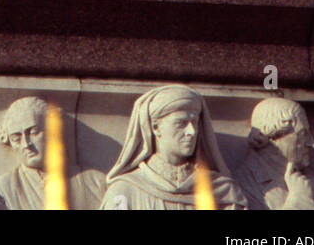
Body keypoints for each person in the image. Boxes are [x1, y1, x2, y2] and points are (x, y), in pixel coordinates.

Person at [101, 85, 247, 210]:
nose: (191, 131)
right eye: (181, 123)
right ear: (156, 128)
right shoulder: (125, 192)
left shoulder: (224, 192)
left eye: (194, 122)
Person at [0, 97, 104, 210]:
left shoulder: (94, 182)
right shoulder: (2, 190)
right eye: (16, 138)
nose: (26, 144)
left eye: (34, 132)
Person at [236, 98, 314, 210]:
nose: (311, 143)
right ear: (269, 135)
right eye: (302, 134)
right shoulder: (242, 187)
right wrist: (300, 201)